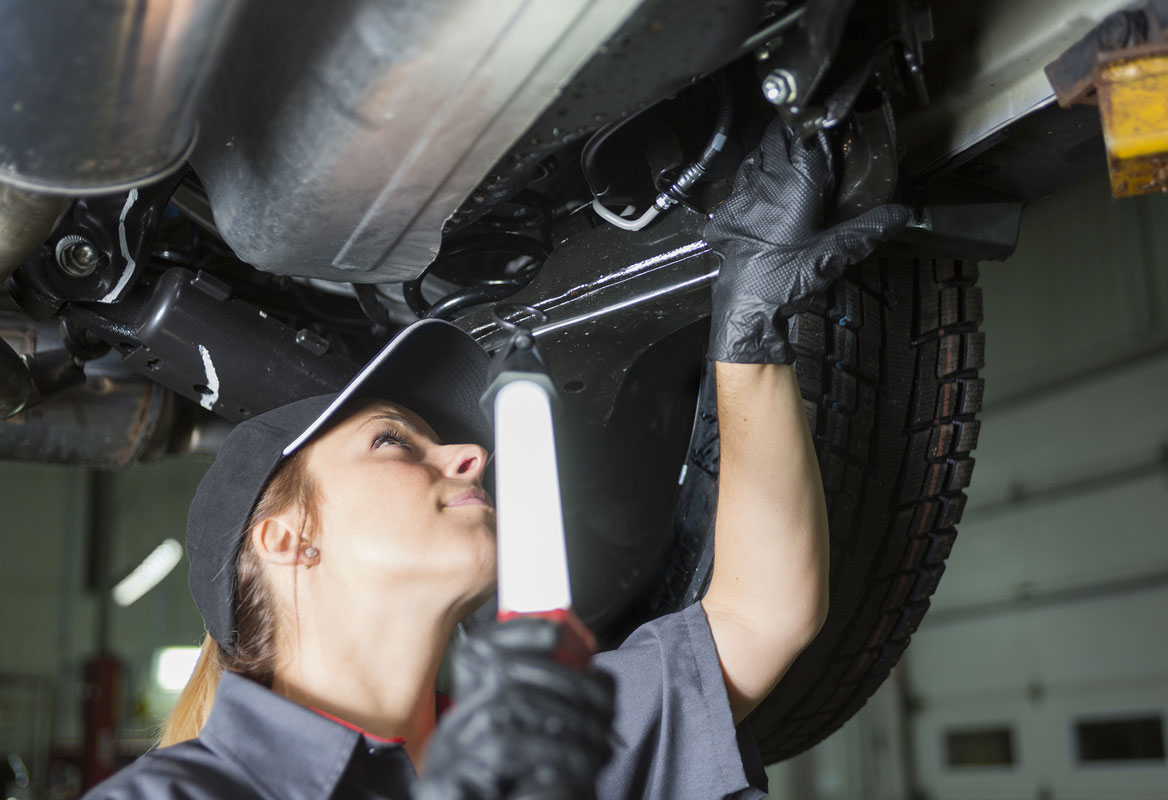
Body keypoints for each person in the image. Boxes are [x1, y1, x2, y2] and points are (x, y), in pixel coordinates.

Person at [82, 119, 908, 800]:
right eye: (394, 440)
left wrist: (750, 336)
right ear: (288, 537)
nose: (472, 455)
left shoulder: (540, 741)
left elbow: (761, 617)